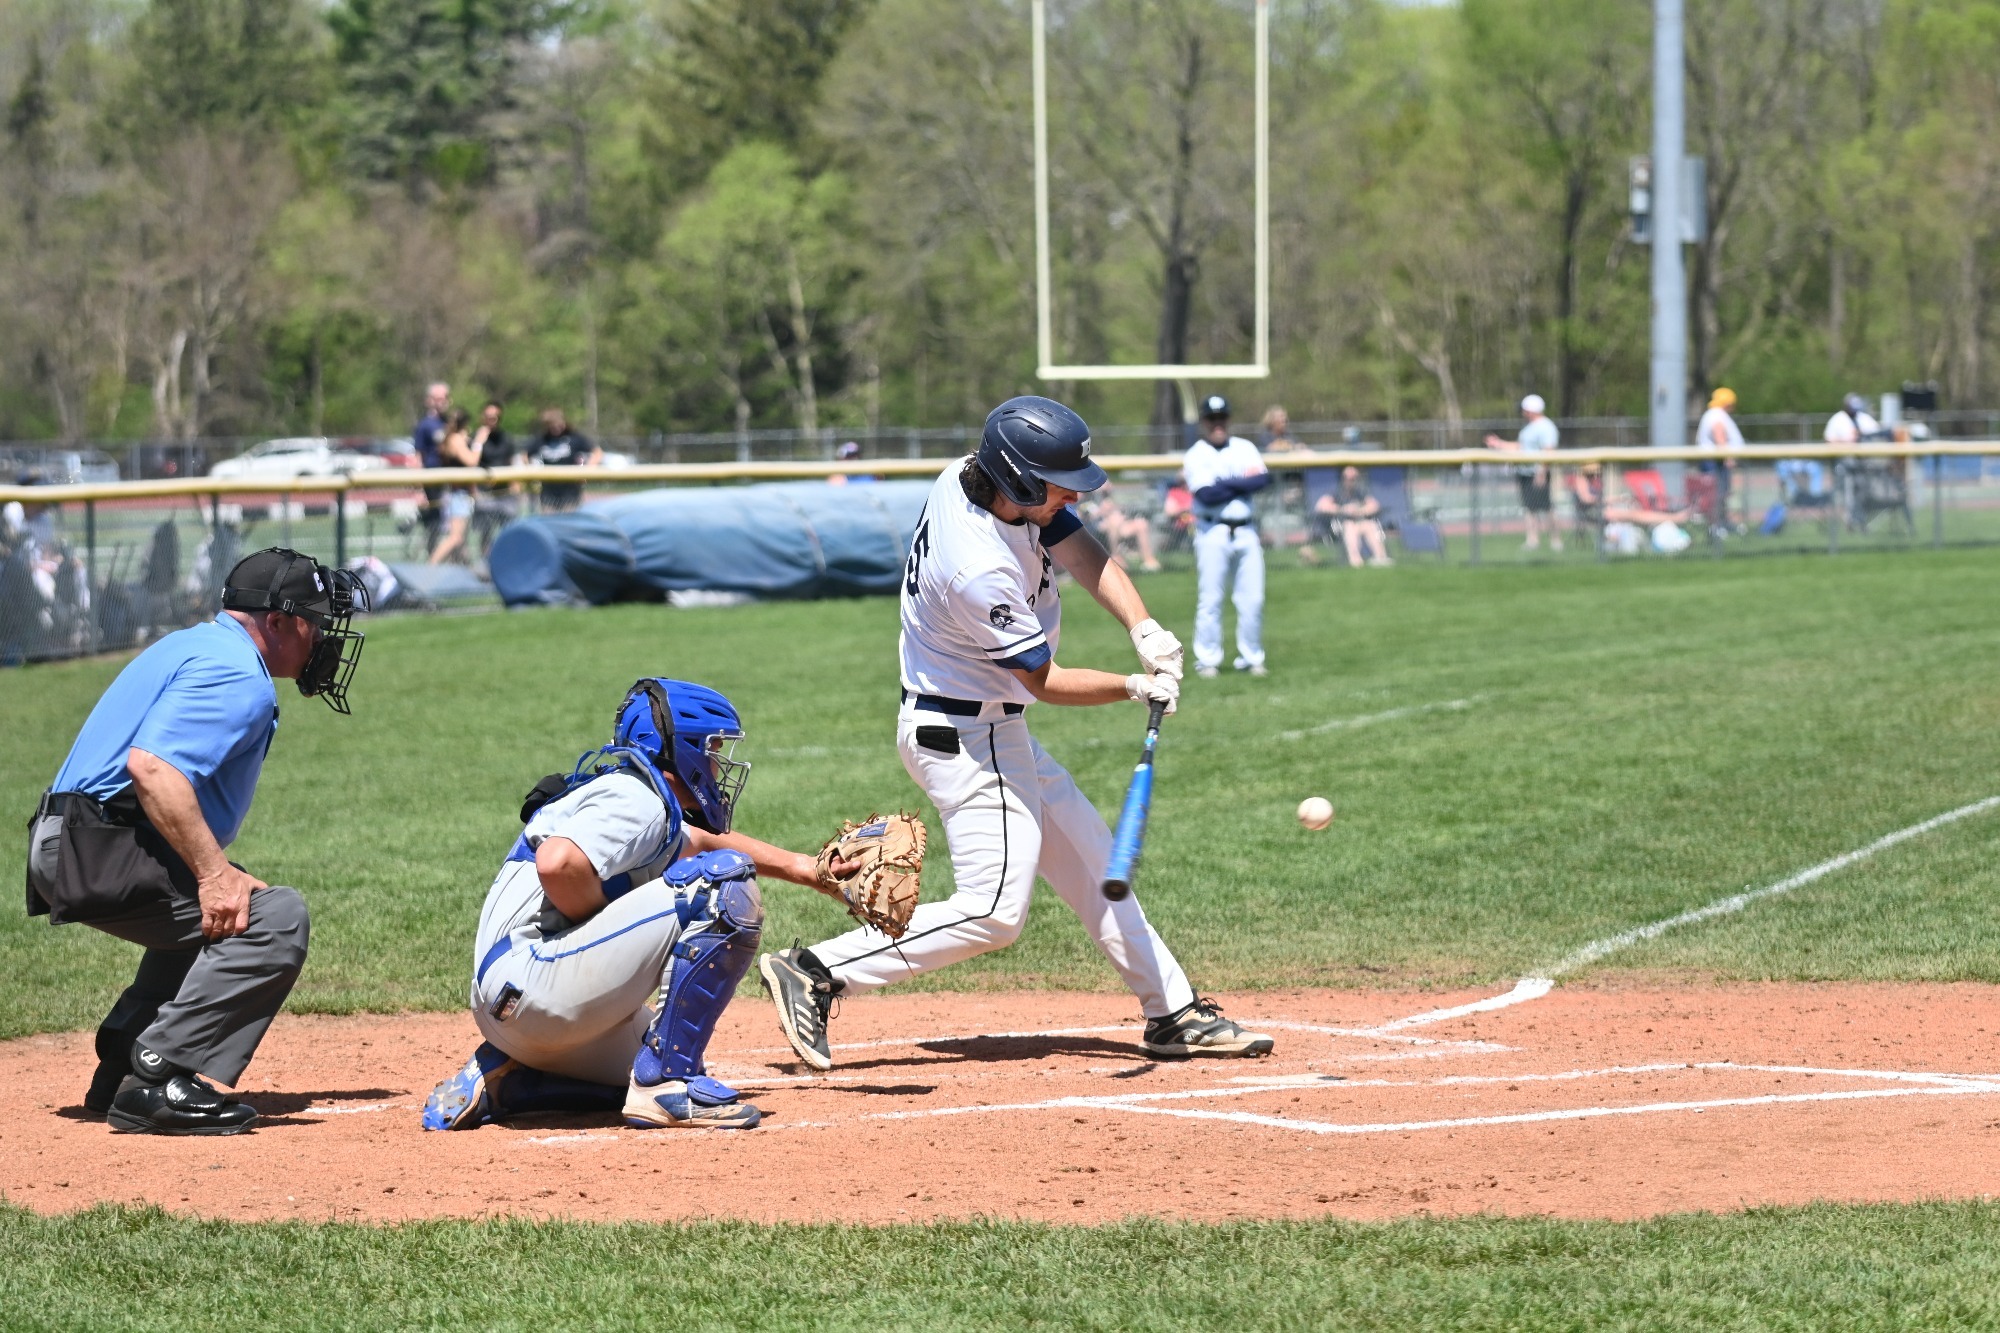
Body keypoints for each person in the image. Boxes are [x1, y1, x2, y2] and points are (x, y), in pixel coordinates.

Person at [756, 395, 1273, 1073]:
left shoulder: (983, 481)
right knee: (995, 910)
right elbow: (1043, 679)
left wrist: (1142, 627)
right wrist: (1131, 684)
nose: (1069, 496)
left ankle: (1171, 1014)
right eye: (1058, 485)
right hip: (968, 736)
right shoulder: (977, 568)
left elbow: (1079, 547)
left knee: (1094, 861)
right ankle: (818, 968)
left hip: (983, 722)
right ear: (1021, 482)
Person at [25, 549, 368, 1135]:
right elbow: (153, 768)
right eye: (315, 620)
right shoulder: (236, 672)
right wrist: (215, 875)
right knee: (273, 917)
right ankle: (158, 1078)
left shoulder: (192, 645)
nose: (324, 638)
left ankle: (124, 1060)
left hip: (74, 837)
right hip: (92, 844)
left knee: (225, 909)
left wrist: (216, 876)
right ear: (279, 621)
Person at [422, 678, 848, 1131]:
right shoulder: (637, 800)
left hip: (515, 1013)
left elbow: (697, 841)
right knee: (724, 886)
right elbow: (557, 862)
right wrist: (600, 920)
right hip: (536, 987)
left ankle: (517, 1079)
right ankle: (667, 1084)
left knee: (655, 1045)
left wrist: (808, 869)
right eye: (710, 750)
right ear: (678, 750)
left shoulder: (632, 795)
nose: (718, 765)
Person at [1183, 394, 1270, 678]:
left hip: (1246, 530)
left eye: (1222, 418)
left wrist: (1226, 483)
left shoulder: (1244, 447)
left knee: (1253, 599)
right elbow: (1206, 495)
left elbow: (1261, 480)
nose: (1217, 424)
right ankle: (1207, 659)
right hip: (1212, 530)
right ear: (1204, 422)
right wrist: (1241, 484)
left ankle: (1251, 657)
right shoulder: (1197, 453)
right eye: (1212, 418)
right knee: (1211, 598)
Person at [1484, 394, 1562, 552]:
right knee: (1529, 508)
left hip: (1537, 472)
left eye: (1524, 409)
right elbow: (1521, 447)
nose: (1522, 412)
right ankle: (1533, 539)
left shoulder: (1546, 426)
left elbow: (1548, 451)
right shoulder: (1528, 427)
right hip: (1525, 472)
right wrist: (1498, 444)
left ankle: (1555, 540)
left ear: (1531, 410)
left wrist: (1541, 473)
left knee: (1546, 508)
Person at [428, 408, 479, 566]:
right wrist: (479, 443)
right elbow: (471, 461)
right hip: (458, 494)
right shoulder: (455, 438)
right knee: (455, 538)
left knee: (461, 540)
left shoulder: (451, 437)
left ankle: (469, 570)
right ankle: (430, 567)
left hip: (456, 493)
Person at [1692, 387, 1745, 535]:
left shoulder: (1713, 414)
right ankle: (1716, 526)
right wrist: (1727, 456)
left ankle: (1722, 523)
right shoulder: (1717, 415)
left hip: (1716, 460)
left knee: (1721, 494)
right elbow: (1719, 434)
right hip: (1715, 461)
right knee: (1717, 493)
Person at [1314, 465, 1392, 567]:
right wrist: (1344, 509)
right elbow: (1321, 506)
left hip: (1359, 521)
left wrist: (1360, 510)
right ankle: (1355, 560)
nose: (1351, 481)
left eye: (1354, 478)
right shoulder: (1336, 491)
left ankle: (1380, 558)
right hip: (1339, 524)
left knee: (1370, 525)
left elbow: (1374, 505)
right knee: (1350, 526)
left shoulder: (1360, 491)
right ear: (1343, 478)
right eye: (1348, 478)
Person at [471, 400, 519, 555]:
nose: (490, 420)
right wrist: (478, 441)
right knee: (485, 533)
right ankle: (485, 565)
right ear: (482, 417)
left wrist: (515, 485)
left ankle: (507, 561)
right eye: (487, 416)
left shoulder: (506, 438)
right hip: (484, 493)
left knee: (509, 531)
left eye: (494, 417)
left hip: (505, 494)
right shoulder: (476, 439)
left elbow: (513, 462)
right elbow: (470, 463)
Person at [530, 409, 601, 512]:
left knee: (569, 524)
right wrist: (533, 474)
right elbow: (526, 455)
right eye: (552, 425)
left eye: (559, 423)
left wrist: (586, 471)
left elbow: (597, 452)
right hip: (548, 494)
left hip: (570, 494)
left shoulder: (574, 438)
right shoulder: (541, 439)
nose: (556, 427)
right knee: (549, 525)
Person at [1081, 492, 1162, 572]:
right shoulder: (1076, 500)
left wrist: (1114, 508)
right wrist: (1101, 512)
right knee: (1114, 521)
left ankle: (1149, 560)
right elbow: (1082, 518)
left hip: (1118, 524)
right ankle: (1116, 556)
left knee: (1141, 523)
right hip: (1095, 527)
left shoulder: (1102, 496)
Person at [413, 382, 451, 550]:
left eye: (444, 398)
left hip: (450, 479)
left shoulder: (450, 422)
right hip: (432, 481)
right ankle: (433, 558)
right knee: (434, 523)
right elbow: (418, 456)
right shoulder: (425, 425)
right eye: (437, 398)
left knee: (451, 521)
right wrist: (419, 488)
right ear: (429, 400)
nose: (441, 401)